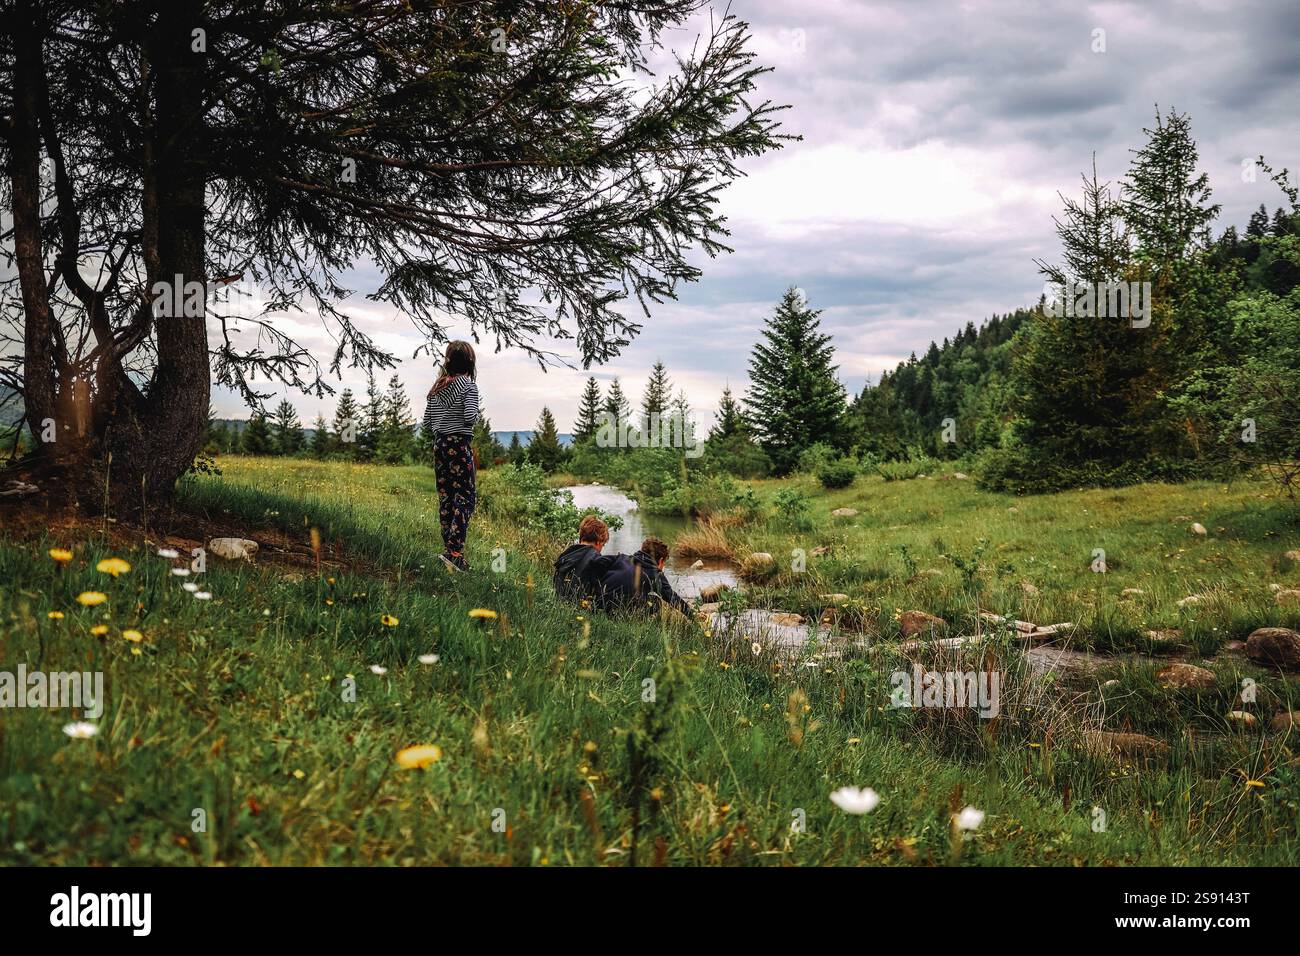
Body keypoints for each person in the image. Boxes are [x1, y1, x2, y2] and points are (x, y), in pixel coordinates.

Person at [423, 340, 479, 572]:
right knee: (465, 497)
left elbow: (427, 422)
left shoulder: (437, 387)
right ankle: (454, 553)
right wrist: (474, 408)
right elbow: (469, 417)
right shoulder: (468, 385)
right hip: (458, 444)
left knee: (446, 497)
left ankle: (450, 551)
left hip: (439, 445)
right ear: (470, 361)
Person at [596, 536, 694, 618]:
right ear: (660, 560)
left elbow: (598, 562)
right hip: (622, 614)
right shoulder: (656, 574)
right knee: (656, 602)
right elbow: (672, 598)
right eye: (664, 563)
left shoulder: (621, 558)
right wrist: (693, 616)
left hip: (600, 606)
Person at [553, 515, 620, 605]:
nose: (601, 549)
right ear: (599, 541)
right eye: (603, 545)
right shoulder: (596, 559)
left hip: (558, 605)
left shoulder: (567, 554)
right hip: (581, 608)